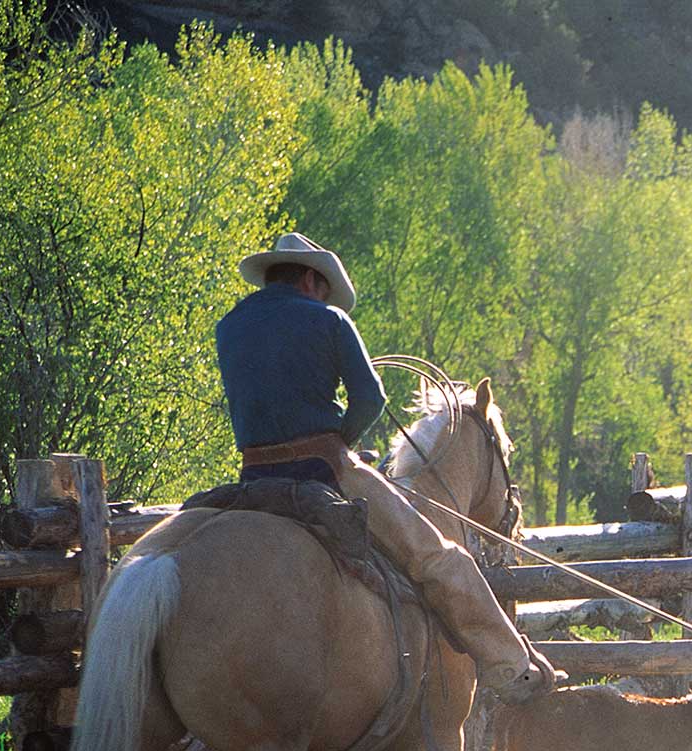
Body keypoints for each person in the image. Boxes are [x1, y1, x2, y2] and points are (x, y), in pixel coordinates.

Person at [215, 232, 561, 704]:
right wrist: (340, 440)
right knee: (438, 555)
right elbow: (372, 398)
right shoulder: (328, 319)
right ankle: (512, 667)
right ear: (312, 279)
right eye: (323, 287)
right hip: (324, 470)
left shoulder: (230, 325)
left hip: (253, 476)